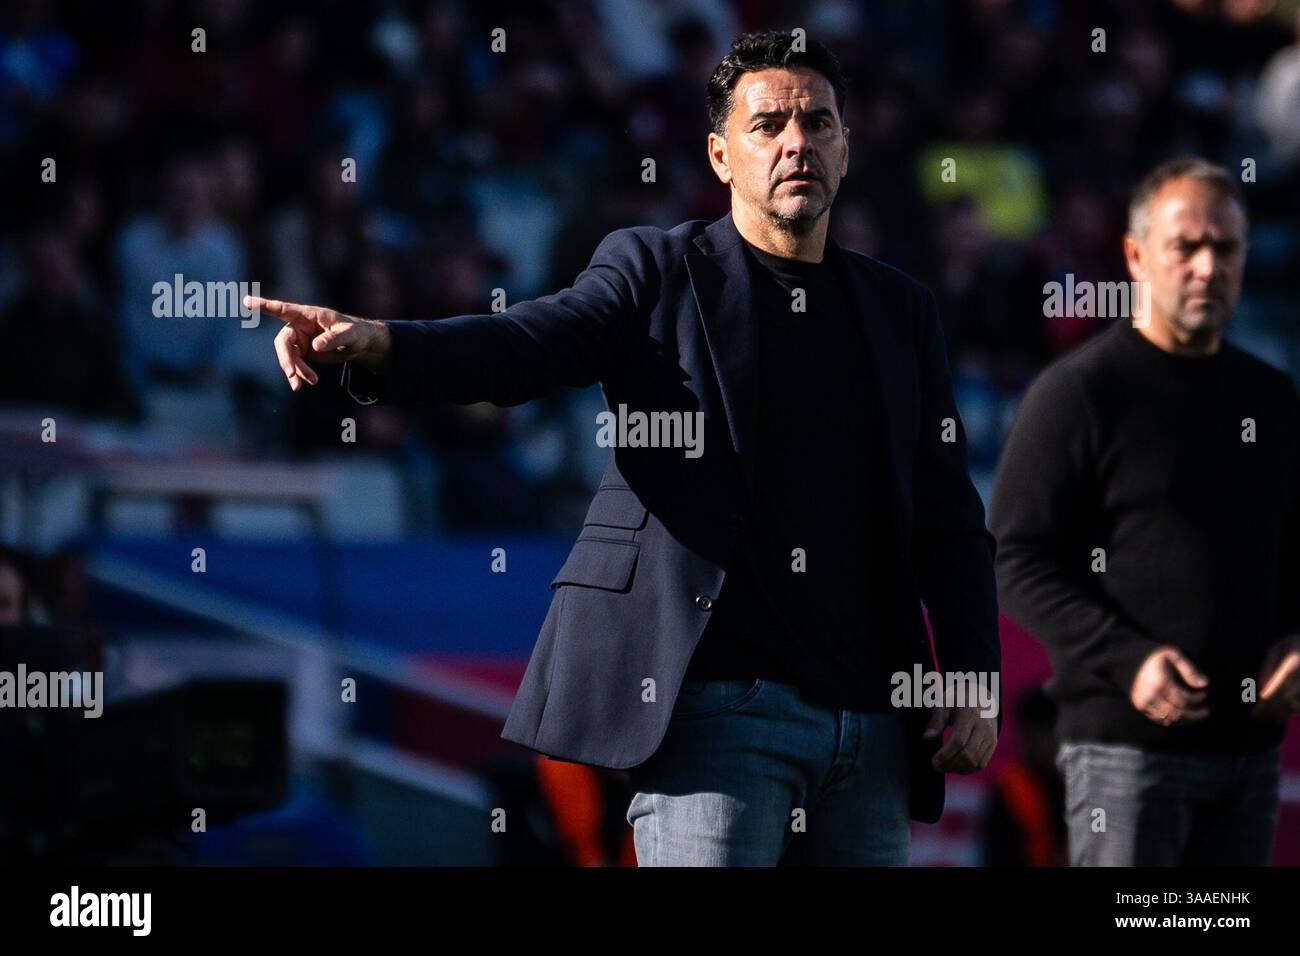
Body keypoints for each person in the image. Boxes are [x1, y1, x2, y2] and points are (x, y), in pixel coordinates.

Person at [252, 30, 1000, 866]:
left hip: (871, 725)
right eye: (769, 125)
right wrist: (387, 343)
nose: (798, 142)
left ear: (847, 147)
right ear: (721, 156)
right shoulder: (655, 270)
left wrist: (971, 675)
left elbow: (948, 514)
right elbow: (532, 344)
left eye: (819, 123)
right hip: (719, 716)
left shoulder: (901, 309)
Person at [989, 157, 1300, 866]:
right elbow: (1014, 556)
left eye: (1224, 248)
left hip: (1250, 758)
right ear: (1135, 255)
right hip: (1124, 759)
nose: (1206, 266)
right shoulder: (1080, 393)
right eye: (1184, 246)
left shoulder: (1273, 400)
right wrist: (1127, 660)